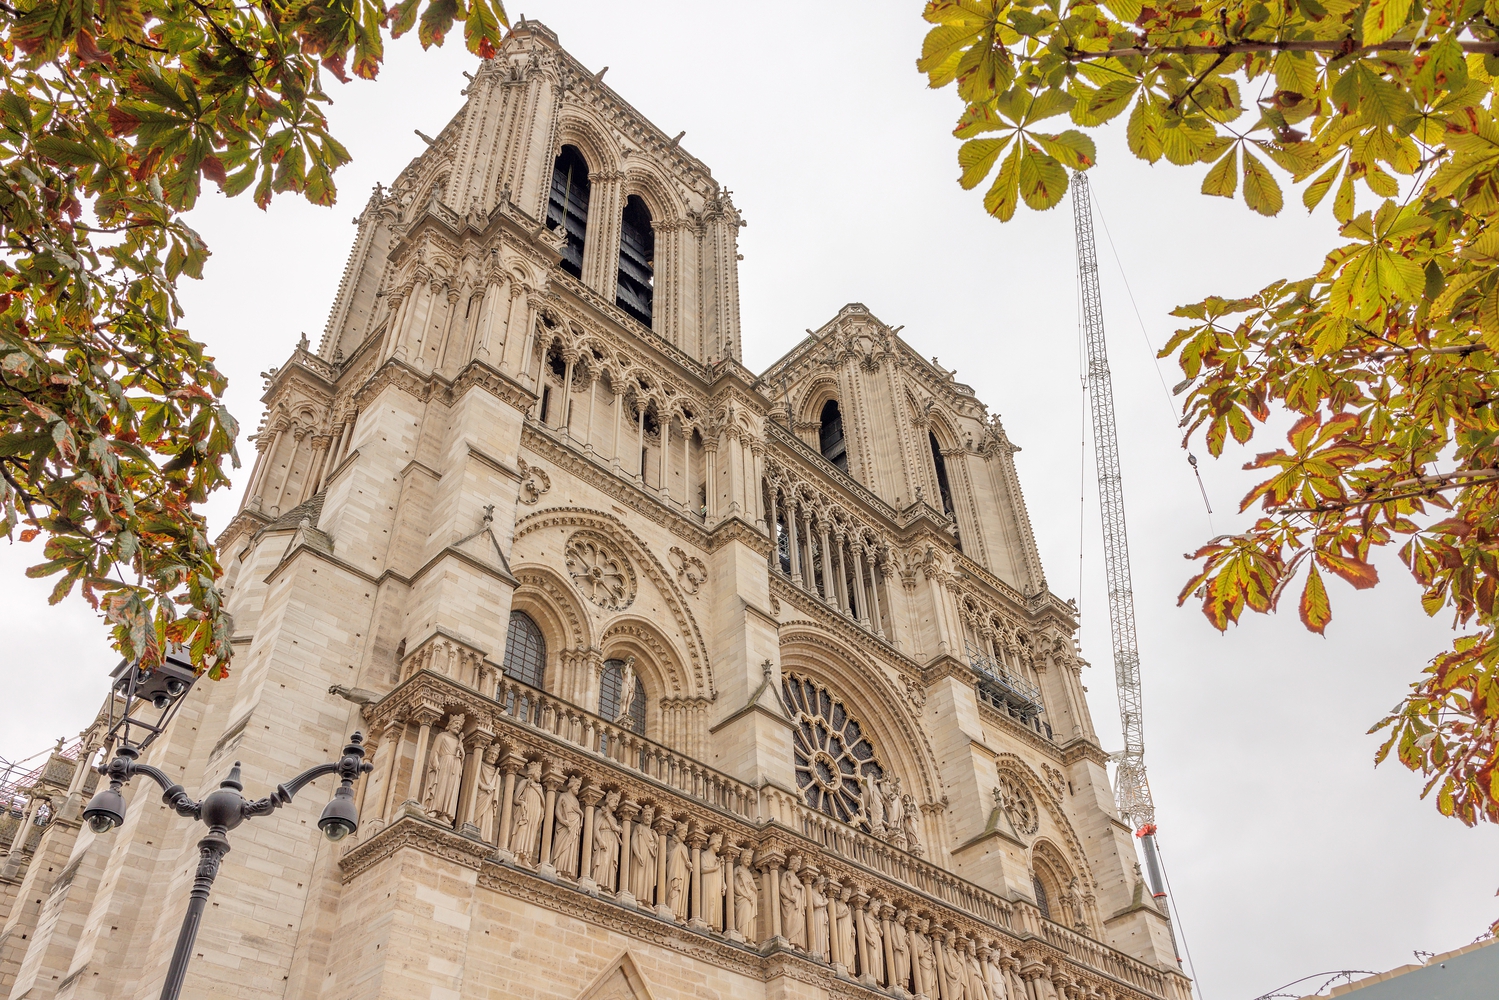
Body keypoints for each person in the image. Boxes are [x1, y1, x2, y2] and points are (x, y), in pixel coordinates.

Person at [422, 715, 465, 826]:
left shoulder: (458, 741)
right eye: (456, 724)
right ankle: (434, 809)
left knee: (450, 789)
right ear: (449, 725)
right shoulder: (442, 736)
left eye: (460, 725)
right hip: (444, 763)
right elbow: (435, 751)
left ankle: (444, 813)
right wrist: (435, 763)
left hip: (455, 766)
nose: (458, 726)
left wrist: (462, 752)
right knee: (441, 786)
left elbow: (462, 758)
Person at [509, 759, 545, 864]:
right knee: (522, 830)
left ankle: (525, 857)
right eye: (538, 772)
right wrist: (521, 803)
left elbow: (542, 803)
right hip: (525, 812)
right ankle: (516, 853)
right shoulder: (525, 782)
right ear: (533, 772)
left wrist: (540, 813)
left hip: (535, 813)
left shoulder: (540, 787)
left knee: (531, 833)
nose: (540, 774)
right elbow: (516, 798)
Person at [550, 774, 583, 876]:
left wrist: (580, 813)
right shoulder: (563, 796)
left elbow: (580, 814)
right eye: (577, 785)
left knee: (571, 848)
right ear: (571, 785)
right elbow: (557, 810)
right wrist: (563, 821)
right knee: (561, 846)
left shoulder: (577, 801)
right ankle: (558, 868)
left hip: (573, 826)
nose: (578, 788)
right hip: (564, 825)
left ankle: (566, 871)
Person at [591, 790, 622, 889]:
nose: (616, 804)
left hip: (613, 843)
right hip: (604, 839)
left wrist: (617, 828)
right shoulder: (600, 812)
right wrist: (600, 840)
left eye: (617, 802)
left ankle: (608, 886)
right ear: (608, 800)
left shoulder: (613, 819)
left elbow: (618, 829)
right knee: (602, 860)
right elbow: (595, 828)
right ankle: (598, 883)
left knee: (610, 863)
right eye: (614, 801)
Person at [700, 832, 725, 930]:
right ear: (712, 843)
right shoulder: (704, 855)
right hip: (708, 882)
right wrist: (714, 868)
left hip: (717, 883)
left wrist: (724, 884)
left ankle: (715, 926)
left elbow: (721, 874)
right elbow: (702, 869)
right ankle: (708, 922)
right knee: (710, 900)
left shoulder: (718, 859)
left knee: (717, 903)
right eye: (718, 842)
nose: (720, 845)